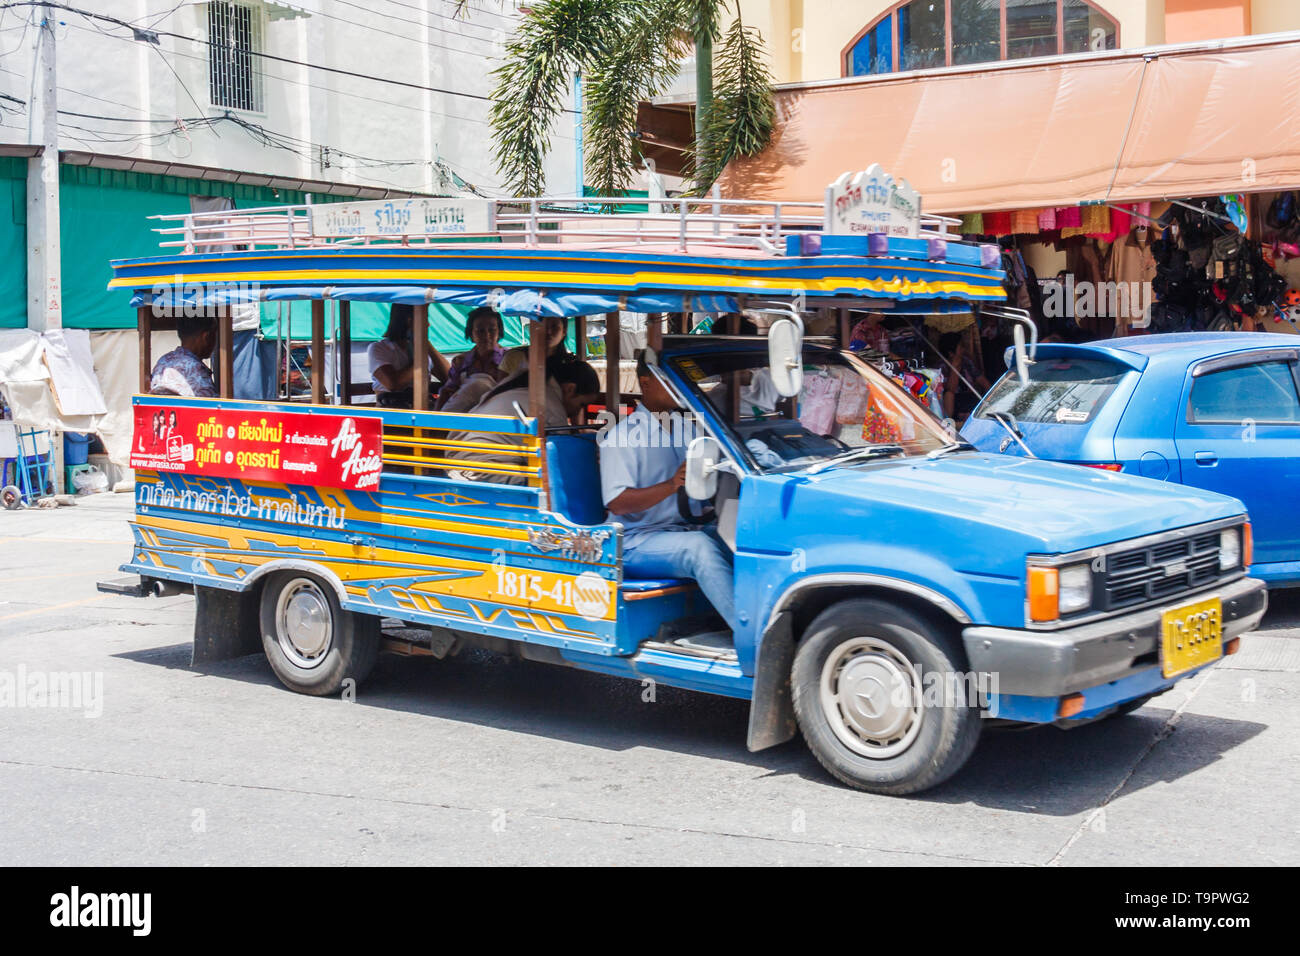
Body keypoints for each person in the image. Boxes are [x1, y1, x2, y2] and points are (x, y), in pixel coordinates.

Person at [599, 352, 736, 634]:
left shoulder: (687, 428)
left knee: (738, 536)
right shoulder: (622, 436)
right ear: (646, 383)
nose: (678, 387)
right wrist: (672, 484)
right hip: (635, 541)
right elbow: (617, 503)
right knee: (698, 548)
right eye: (668, 380)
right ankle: (752, 638)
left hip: (681, 528)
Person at [451, 355, 600, 485]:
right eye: (581, 404)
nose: (578, 411)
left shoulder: (523, 381)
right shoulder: (550, 404)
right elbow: (561, 459)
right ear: (570, 389)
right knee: (559, 481)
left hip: (456, 461)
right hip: (483, 471)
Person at [367, 303, 452, 408]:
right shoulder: (379, 348)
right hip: (392, 409)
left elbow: (450, 377)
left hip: (424, 407)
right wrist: (420, 360)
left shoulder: (422, 348)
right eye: (425, 319)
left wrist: (426, 343)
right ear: (409, 321)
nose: (428, 324)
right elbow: (393, 384)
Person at [435, 306, 506, 411]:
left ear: (499, 332)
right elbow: (447, 392)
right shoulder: (460, 362)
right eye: (480, 331)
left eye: (492, 330)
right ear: (471, 334)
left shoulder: (510, 358)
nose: (486, 335)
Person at [150, 315, 219, 398]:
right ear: (206, 337)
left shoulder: (163, 361)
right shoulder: (197, 369)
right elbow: (214, 407)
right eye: (215, 334)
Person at [939, 330, 990, 424]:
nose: (963, 349)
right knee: (949, 395)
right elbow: (951, 390)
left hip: (969, 398)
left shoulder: (966, 362)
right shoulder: (942, 367)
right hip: (954, 403)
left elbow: (983, 382)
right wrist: (955, 367)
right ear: (951, 353)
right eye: (960, 347)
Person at [498, 314, 572, 378]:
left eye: (554, 327)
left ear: (564, 331)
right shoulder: (514, 357)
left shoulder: (569, 364)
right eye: (543, 325)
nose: (548, 332)